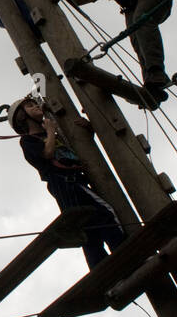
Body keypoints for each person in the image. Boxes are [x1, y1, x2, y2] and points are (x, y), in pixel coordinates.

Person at [8, 96, 126, 269]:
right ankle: (124, 252)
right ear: (21, 117)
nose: (35, 107)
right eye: (30, 106)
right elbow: (47, 154)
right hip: (65, 183)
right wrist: (49, 130)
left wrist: (87, 131)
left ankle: (102, 270)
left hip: (73, 182)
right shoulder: (28, 141)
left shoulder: (58, 134)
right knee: (105, 213)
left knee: (88, 229)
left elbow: (77, 149)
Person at [50, 0, 175, 91]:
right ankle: (152, 82)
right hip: (133, 7)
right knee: (135, 37)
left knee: (140, 21)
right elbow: (78, 0)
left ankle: (156, 72)